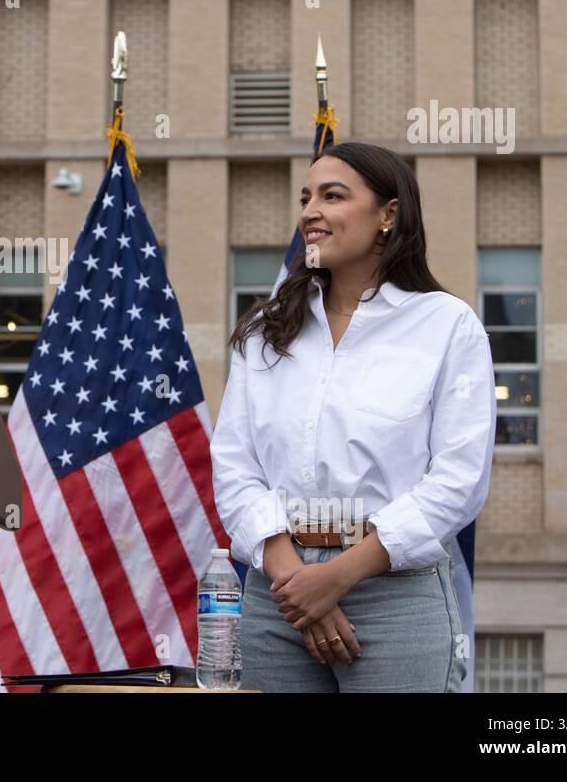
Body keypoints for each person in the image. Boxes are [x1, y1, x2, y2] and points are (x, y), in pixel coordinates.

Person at [211, 141, 495, 692]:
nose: (310, 212)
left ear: (389, 214)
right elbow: (233, 465)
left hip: (395, 594)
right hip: (278, 593)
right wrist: (298, 582)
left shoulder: (447, 326)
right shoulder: (266, 330)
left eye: (332, 196)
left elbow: (459, 481)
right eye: (306, 197)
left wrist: (338, 576)